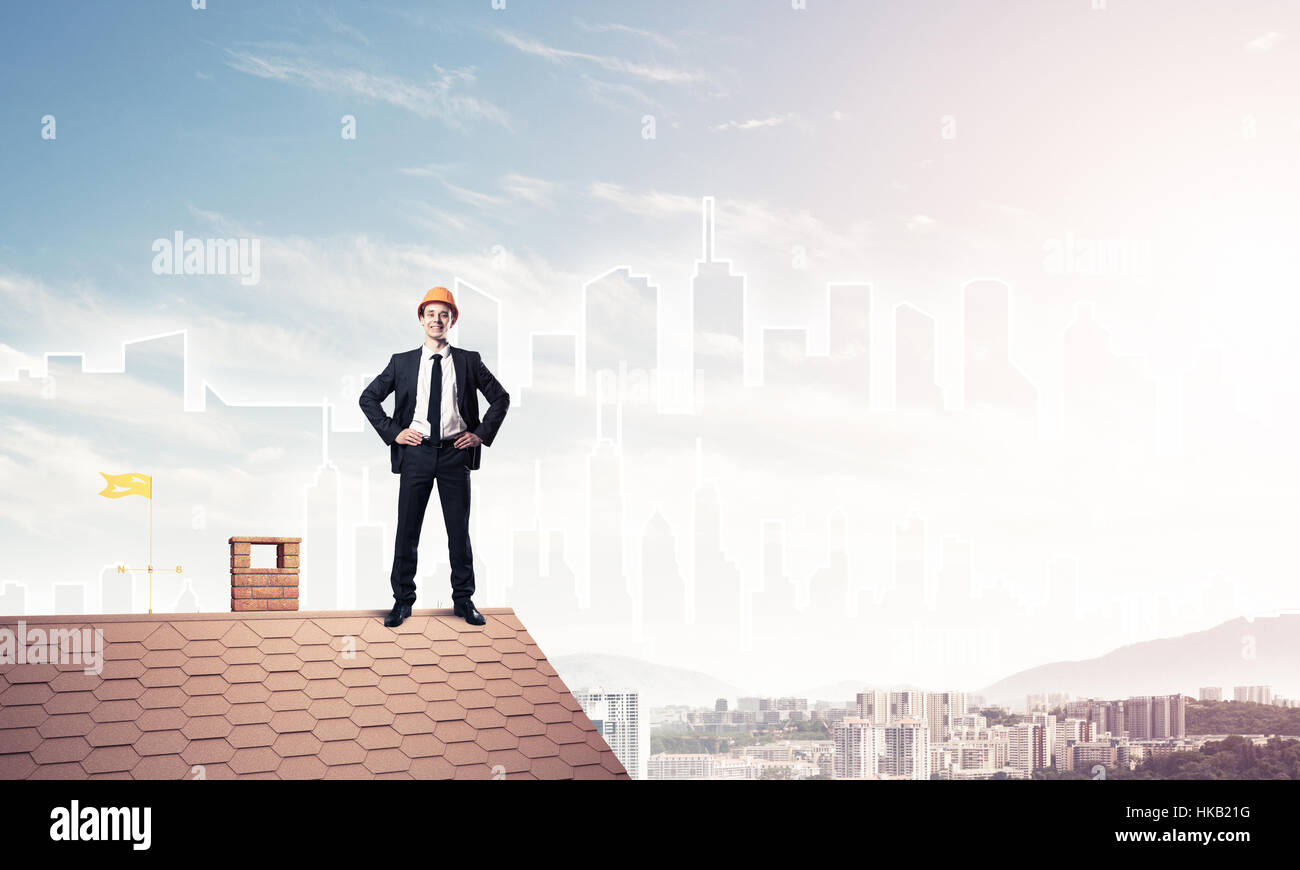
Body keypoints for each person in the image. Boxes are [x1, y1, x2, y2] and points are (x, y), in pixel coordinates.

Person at [358, 286, 509, 627]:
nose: (437, 320)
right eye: (431, 314)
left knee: (458, 531)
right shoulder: (402, 363)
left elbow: (500, 398)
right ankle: (402, 601)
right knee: (407, 530)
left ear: (452, 320)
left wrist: (480, 434)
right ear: (421, 319)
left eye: (444, 314)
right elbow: (368, 398)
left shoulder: (469, 361)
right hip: (417, 454)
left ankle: (464, 600)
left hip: (455, 455)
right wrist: (394, 432)